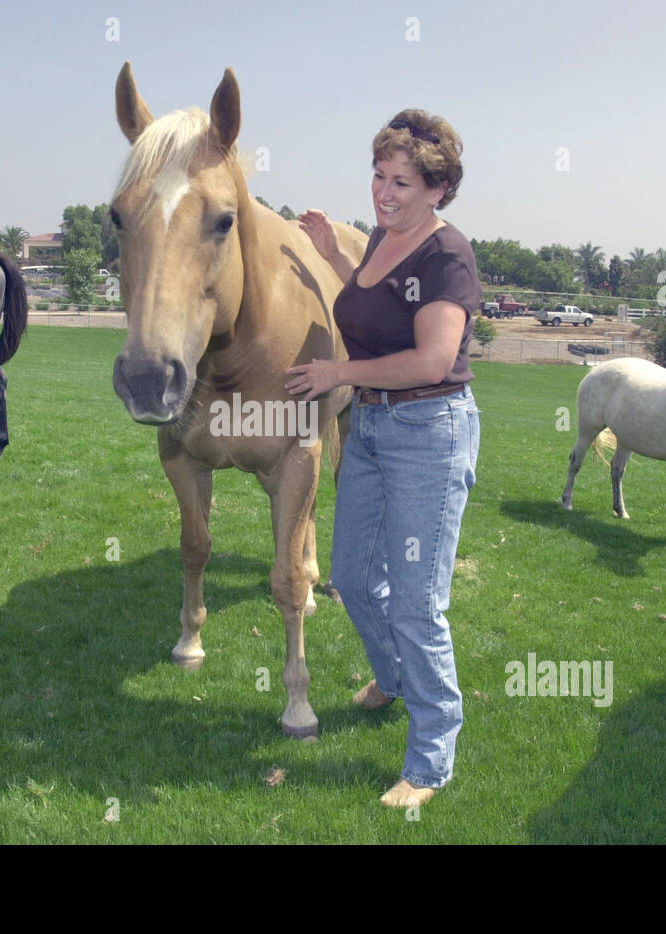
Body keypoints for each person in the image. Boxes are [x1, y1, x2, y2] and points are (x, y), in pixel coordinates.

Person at [286, 110, 481, 808]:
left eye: (401, 182)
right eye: (378, 175)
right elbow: (368, 304)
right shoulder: (381, 241)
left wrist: (339, 377)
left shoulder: (445, 256)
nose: (383, 191)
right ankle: (396, 678)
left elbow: (432, 357)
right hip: (370, 429)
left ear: (439, 189)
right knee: (350, 578)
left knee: (418, 603)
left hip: (429, 432)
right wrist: (331, 255)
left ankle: (430, 759)